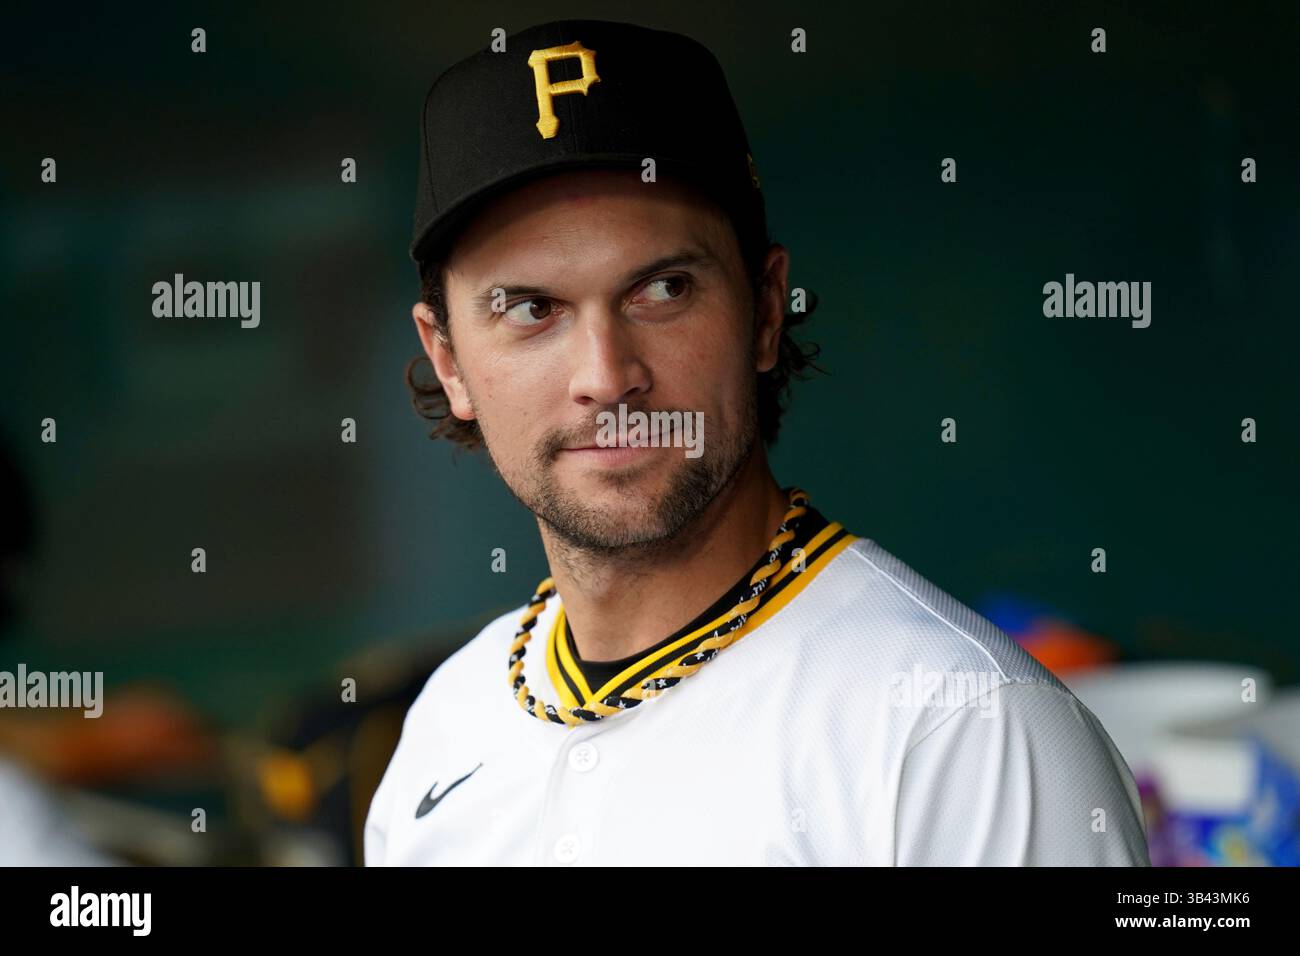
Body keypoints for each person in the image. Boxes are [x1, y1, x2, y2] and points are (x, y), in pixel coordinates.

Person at [365, 18, 1150, 866]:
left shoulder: (967, 732)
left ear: (766, 310)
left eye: (663, 288)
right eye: (531, 308)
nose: (606, 374)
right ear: (448, 361)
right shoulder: (448, 723)